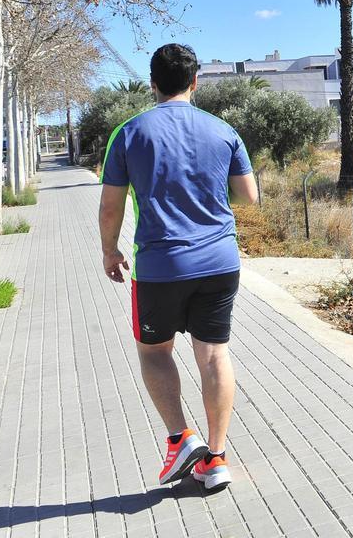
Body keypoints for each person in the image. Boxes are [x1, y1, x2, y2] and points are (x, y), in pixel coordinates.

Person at [98, 43, 258, 492]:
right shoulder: (224, 131)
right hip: (220, 262)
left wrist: (109, 251)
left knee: (154, 352)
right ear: (195, 82)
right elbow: (249, 196)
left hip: (160, 265)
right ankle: (218, 458)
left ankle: (179, 439)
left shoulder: (128, 133)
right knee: (214, 356)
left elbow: (110, 208)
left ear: (153, 83)